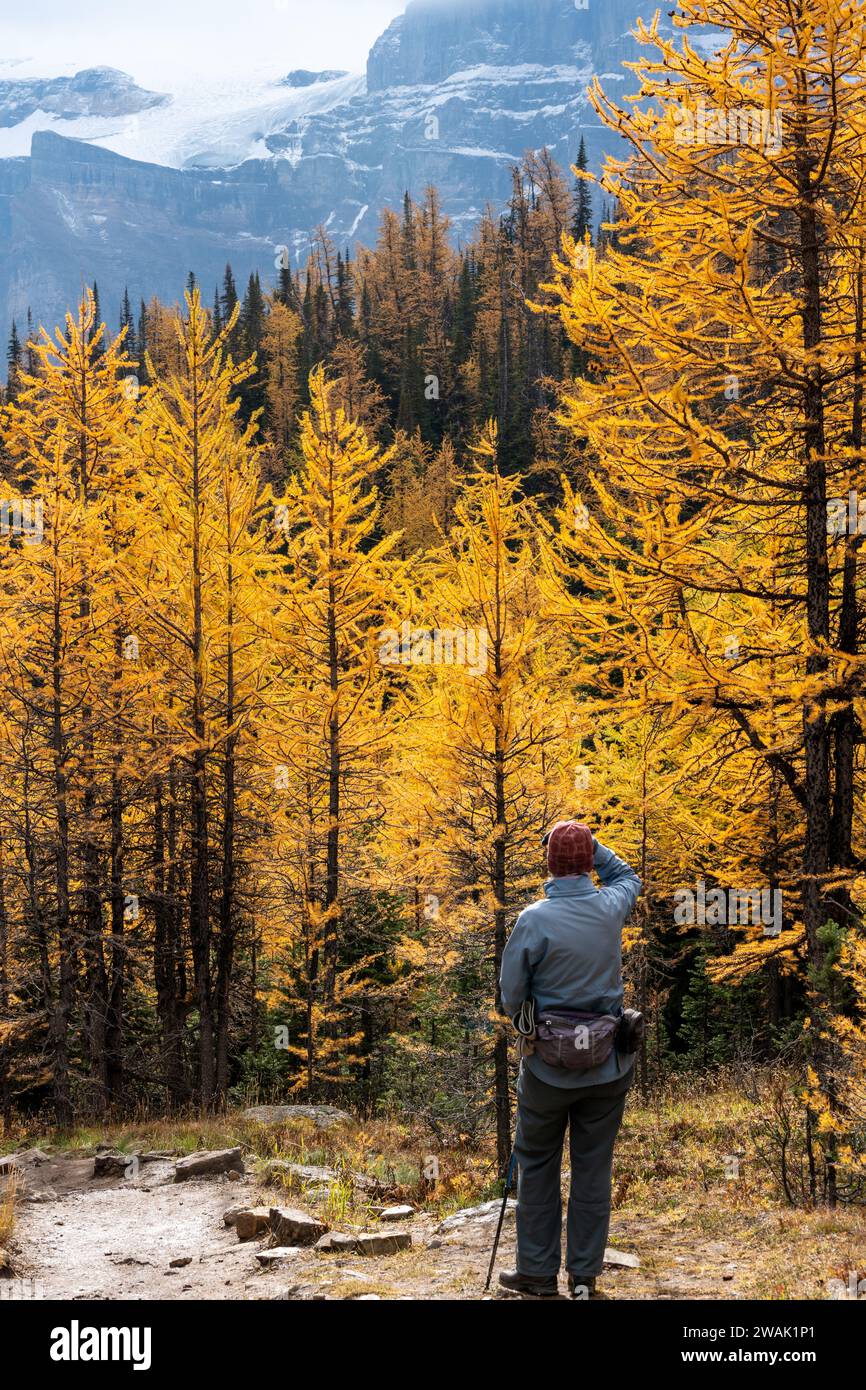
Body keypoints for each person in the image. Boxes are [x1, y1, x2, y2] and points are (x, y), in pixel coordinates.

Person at [498, 820, 642, 1298]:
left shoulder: (533, 920)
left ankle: (537, 1275)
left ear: (548, 864)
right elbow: (628, 876)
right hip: (607, 1067)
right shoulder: (609, 907)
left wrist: (532, 1022)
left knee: (537, 1162)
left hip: (547, 1069)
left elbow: (511, 996)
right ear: (587, 864)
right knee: (593, 1166)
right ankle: (583, 1278)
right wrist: (593, 845)